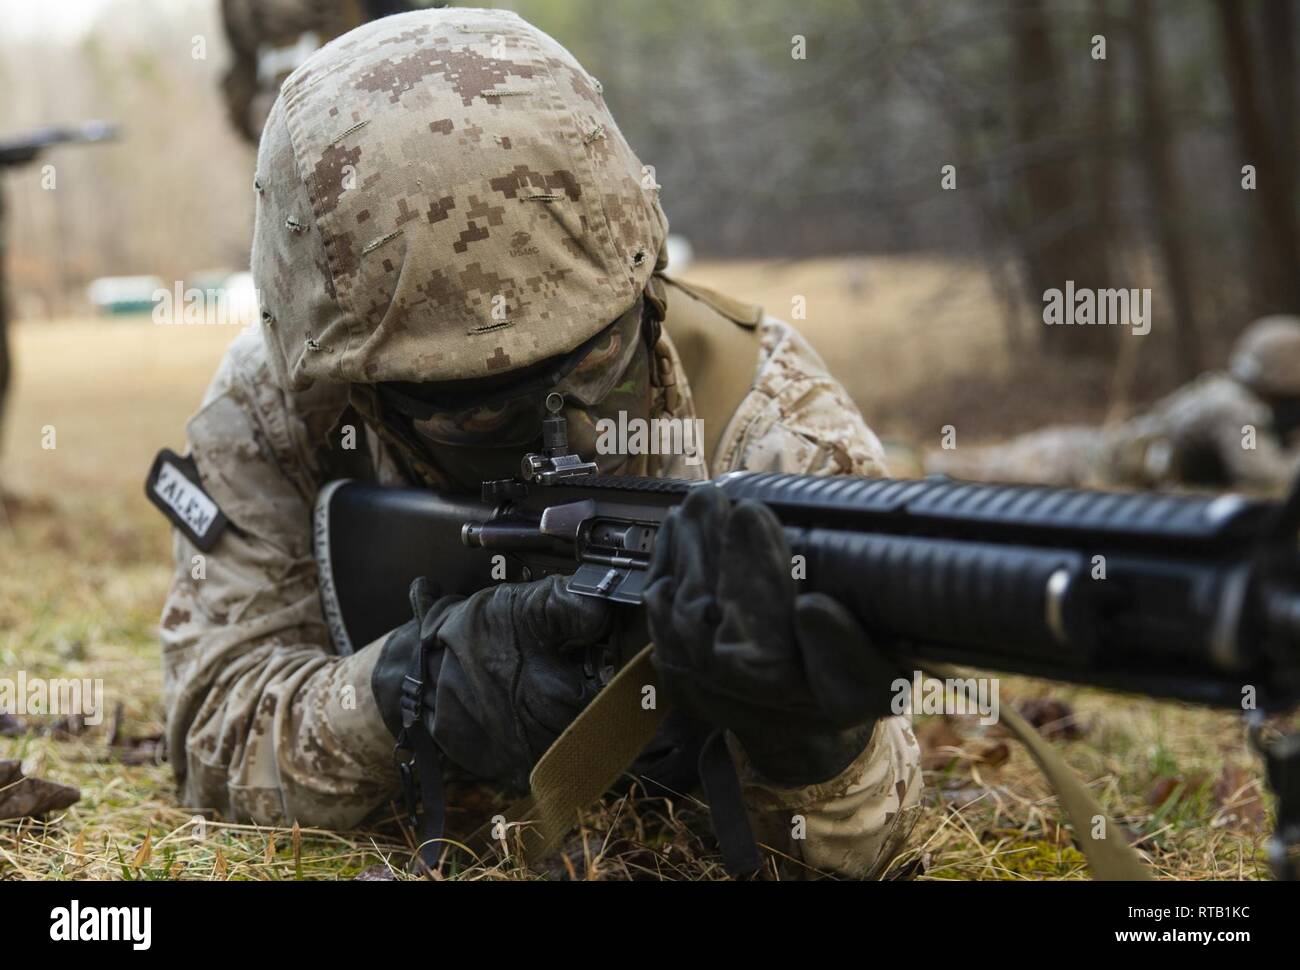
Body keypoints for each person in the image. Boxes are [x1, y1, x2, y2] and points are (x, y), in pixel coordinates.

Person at [157, 7, 920, 878]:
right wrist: (417, 686)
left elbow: (875, 828)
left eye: (596, 360)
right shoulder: (281, 409)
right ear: (360, 388)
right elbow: (213, 729)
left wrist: (809, 745)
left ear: (645, 281)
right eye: (481, 410)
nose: (567, 431)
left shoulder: (767, 423)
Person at [925, 316, 1300, 493]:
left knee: (975, 467)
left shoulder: (1222, 389)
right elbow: (1265, 476)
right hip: (1079, 461)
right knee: (957, 472)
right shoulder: (1235, 409)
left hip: (1090, 449)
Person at [219, 0, 417, 144]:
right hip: (280, 135)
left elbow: (392, 28)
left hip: (354, 112)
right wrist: (251, 116)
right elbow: (242, 70)